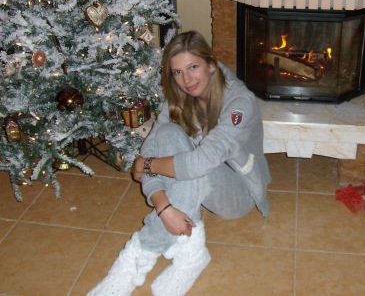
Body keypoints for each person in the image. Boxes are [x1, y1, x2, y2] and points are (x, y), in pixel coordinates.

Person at [89, 30, 271, 296]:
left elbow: (167, 164)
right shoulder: (179, 95)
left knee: (199, 166)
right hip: (195, 177)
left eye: (193, 67)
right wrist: (163, 207)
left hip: (238, 192)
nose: (187, 80)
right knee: (167, 133)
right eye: (177, 72)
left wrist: (149, 166)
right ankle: (191, 252)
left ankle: (136, 257)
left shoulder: (240, 102)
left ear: (211, 64)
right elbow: (150, 150)